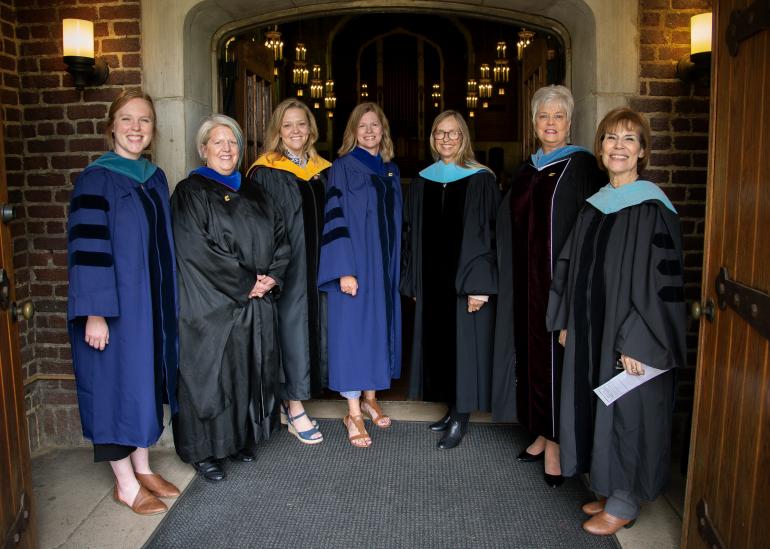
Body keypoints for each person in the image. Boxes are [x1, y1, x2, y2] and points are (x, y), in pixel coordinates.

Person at [546, 107, 686, 535]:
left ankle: (624, 502)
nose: (619, 147)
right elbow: (569, 267)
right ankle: (608, 491)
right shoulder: (595, 207)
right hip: (592, 331)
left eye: (629, 139)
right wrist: (566, 320)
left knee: (629, 414)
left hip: (630, 337)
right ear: (601, 148)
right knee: (599, 409)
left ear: (642, 151)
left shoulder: (652, 208)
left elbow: (664, 285)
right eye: (611, 138)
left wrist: (640, 341)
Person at [67, 89, 179, 515]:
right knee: (115, 388)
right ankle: (125, 484)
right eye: (128, 119)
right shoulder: (95, 179)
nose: (136, 127)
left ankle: (143, 467)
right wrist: (95, 312)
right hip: (113, 309)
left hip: (147, 306)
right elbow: (87, 249)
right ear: (112, 125)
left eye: (145, 120)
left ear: (153, 129)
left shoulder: (154, 178)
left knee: (141, 383)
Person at [493, 85, 605, 485]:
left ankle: (557, 442)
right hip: (526, 284)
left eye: (559, 116)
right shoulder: (527, 169)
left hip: (560, 283)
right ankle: (540, 431)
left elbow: (590, 231)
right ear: (534, 122)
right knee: (530, 355)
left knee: (556, 360)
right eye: (544, 116)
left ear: (570, 122)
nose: (551, 123)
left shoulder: (583, 167)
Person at [171, 114, 289, 481]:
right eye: (218, 142)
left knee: (244, 371)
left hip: (254, 300)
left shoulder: (255, 190)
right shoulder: (190, 192)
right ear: (203, 149)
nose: (226, 149)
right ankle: (204, 451)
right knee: (212, 375)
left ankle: (237, 440)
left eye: (233, 142)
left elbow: (281, 237)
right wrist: (245, 282)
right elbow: (195, 249)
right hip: (211, 301)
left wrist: (272, 277)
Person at [401, 110, 500, 450]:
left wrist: (481, 285)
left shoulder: (481, 179)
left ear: (463, 137)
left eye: (453, 133)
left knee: (463, 347)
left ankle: (461, 415)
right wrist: (414, 280)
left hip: (465, 281)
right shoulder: (422, 181)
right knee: (440, 345)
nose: (446, 139)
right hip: (433, 280)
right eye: (440, 133)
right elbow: (411, 234)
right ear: (432, 138)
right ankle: (450, 408)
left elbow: (489, 234)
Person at [318, 102, 402, 448]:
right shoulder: (342, 167)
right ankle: (352, 412)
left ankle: (370, 398)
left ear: (383, 131)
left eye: (375, 125)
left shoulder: (390, 170)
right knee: (353, 333)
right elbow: (334, 216)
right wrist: (344, 270)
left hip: (383, 267)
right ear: (353, 132)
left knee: (378, 329)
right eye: (362, 126)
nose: (369, 131)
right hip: (355, 266)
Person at [247, 99, 331, 445]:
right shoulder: (266, 171)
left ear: (311, 129)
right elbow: (259, 226)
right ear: (277, 131)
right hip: (288, 268)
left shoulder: (322, 169)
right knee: (292, 332)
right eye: (287, 125)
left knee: (312, 328)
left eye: (301, 124)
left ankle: (294, 400)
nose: (296, 131)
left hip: (318, 267)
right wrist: (267, 269)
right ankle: (294, 407)